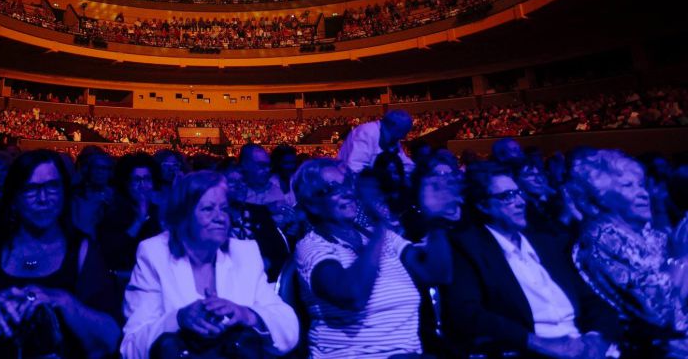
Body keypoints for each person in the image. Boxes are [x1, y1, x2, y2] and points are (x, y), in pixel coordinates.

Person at [0, 149, 119, 358]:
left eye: (52, 187)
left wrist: (64, 300)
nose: (43, 198)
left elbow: (112, 338)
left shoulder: (82, 250)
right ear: (14, 198)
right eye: (30, 189)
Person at [442, 162, 616, 358]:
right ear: (483, 206)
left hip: (584, 344)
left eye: (519, 193)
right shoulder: (468, 248)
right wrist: (535, 342)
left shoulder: (549, 244)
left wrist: (595, 338)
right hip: (531, 348)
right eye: (507, 196)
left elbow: (592, 298)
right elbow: (467, 313)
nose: (520, 202)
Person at [121, 171, 299, 359]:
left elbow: (289, 329)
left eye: (223, 209)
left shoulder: (245, 253)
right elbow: (131, 347)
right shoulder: (154, 253)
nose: (220, 217)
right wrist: (178, 319)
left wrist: (246, 314)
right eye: (208, 209)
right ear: (183, 216)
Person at [292, 159, 450, 359]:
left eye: (347, 184)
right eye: (332, 188)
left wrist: (435, 220)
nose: (347, 192)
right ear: (313, 205)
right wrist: (380, 227)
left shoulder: (382, 237)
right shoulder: (311, 246)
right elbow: (353, 296)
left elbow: (435, 274)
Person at [568, 149, 688, 357]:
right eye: (627, 186)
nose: (643, 193)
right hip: (655, 347)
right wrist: (679, 259)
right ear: (601, 196)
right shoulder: (602, 239)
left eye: (641, 185)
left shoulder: (648, 234)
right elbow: (662, 313)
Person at [97, 153, 163, 281]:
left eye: (147, 179)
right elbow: (111, 252)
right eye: (137, 180)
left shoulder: (158, 211)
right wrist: (138, 221)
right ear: (126, 184)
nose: (143, 185)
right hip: (122, 282)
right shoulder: (113, 212)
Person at [337, 110, 414, 175]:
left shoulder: (392, 137)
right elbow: (355, 169)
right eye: (404, 131)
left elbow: (405, 165)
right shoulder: (367, 132)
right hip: (349, 184)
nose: (404, 136)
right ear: (393, 126)